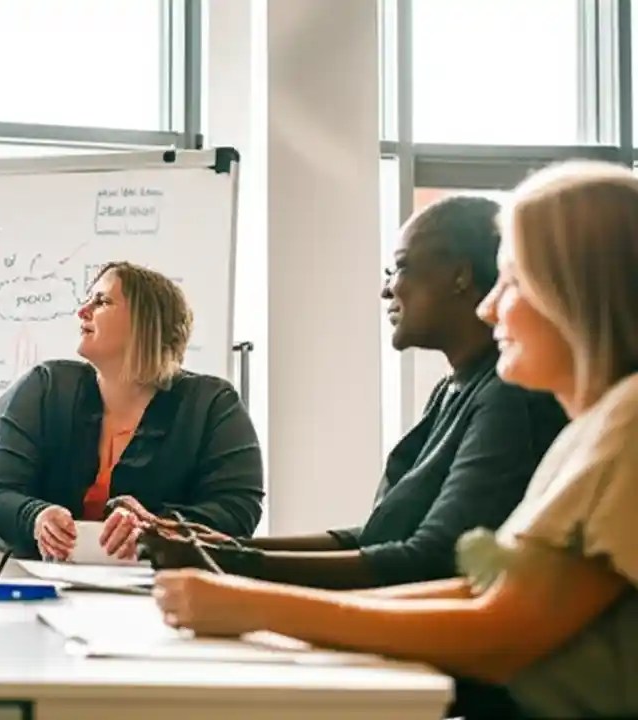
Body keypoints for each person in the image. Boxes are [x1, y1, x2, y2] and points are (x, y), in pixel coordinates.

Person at [155, 160, 638, 719]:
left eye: (511, 282)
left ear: (573, 290)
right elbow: (483, 594)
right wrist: (246, 594)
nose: (488, 305)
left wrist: (253, 602)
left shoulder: (625, 425)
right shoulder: (598, 428)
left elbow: (502, 630)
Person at [146, 196, 567, 589]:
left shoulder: (509, 396)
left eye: (401, 267)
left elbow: (432, 559)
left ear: (459, 276)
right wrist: (227, 547)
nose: (387, 289)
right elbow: (380, 536)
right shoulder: (453, 389)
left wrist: (229, 565)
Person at [0, 261, 265, 561]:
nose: (82, 311)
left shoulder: (213, 404)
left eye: (101, 301)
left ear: (147, 322)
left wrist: (156, 529)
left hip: (155, 589)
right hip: (29, 579)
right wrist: (36, 517)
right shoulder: (43, 388)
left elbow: (238, 509)